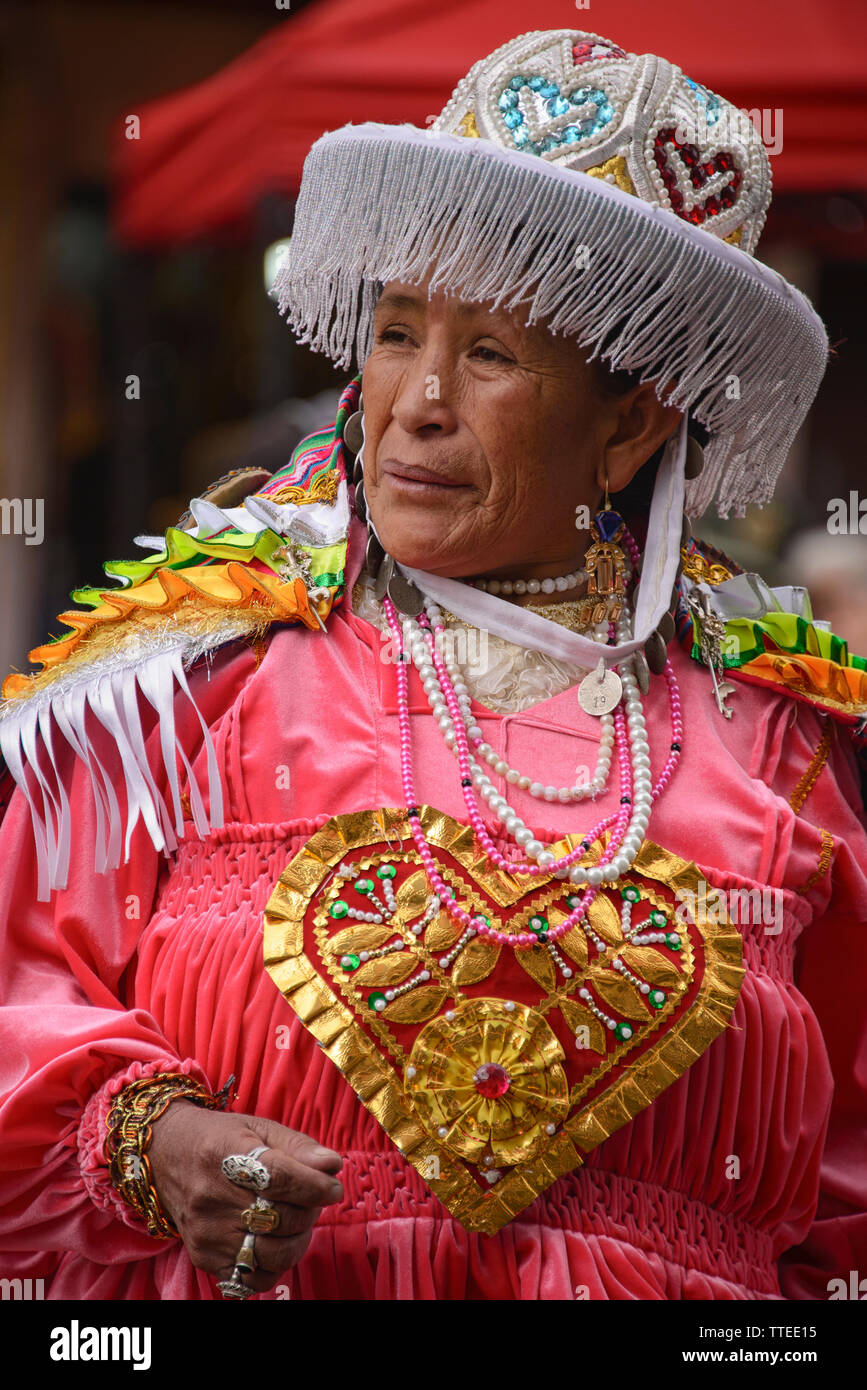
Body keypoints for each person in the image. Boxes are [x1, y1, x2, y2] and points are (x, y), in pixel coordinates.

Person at [1, 28, 865, 1302]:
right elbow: (23, 992)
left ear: (631, 425)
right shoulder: (192, 680)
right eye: (398, 332)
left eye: (494, 355)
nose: (416, 400)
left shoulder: (782, 747)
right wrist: (153, 1137)